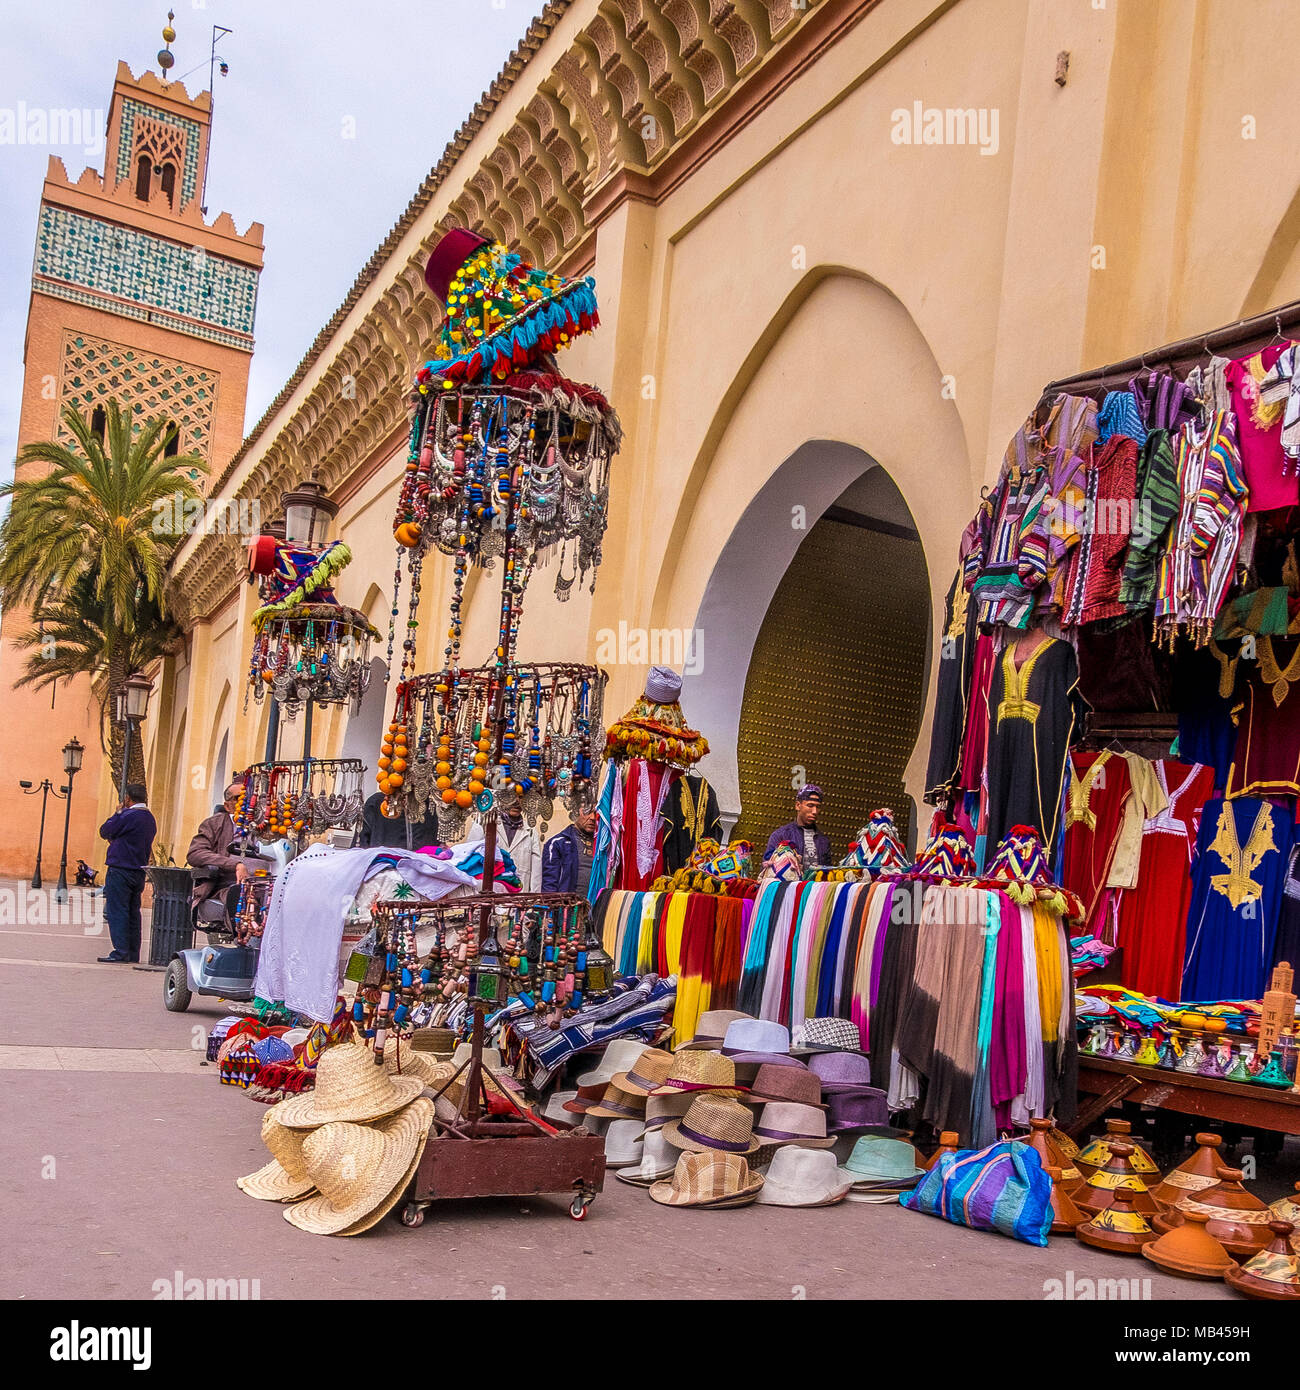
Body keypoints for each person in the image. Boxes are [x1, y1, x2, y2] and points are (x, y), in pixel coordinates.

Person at [97, 783, 157, 963]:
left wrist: (117, 813)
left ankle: (120, 951)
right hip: (138, 870)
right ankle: (132, 952)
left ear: (127, 799)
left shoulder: (127, 815)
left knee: (118, 911)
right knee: (133, 912)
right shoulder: (149, 818)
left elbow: (105, 830)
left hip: (120, 869)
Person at [187, 781, 250, 915]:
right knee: (239, 896)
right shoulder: (214, 823)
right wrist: (235, 865)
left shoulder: (265, 825)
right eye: (239, 798)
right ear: (227, 806)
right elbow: (195, 853)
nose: (245, 801)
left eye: (248, 796)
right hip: (229, 885)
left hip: (264, 883)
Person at [466, 788, 542, 891]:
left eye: (520, 797)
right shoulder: (484, 824)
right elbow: (469, 859)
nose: (516, 802)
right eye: (510, 796)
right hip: (488, 896)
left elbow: (536, 872)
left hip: (520, 898)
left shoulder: (531, 831)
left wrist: (533, 900)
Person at [764, 784, 831, 872]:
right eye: (810, 806)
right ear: (798, 805)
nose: (814, 811)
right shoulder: (781, 835)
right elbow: (768, 871)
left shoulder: (824, 841)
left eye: (817, 807)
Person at [541, 799, 598, 896]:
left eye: (596, 813)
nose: (592, 817)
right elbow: (549, 887)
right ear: (576, 812)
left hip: (599, 906)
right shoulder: (558, 843)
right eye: (587, 812)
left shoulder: (603, 844)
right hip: (568, 907)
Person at [357, 790, 441, 850]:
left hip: (424, 867)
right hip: (384, 868)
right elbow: (363, 843)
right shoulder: (377, 802)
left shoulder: (432, 803)